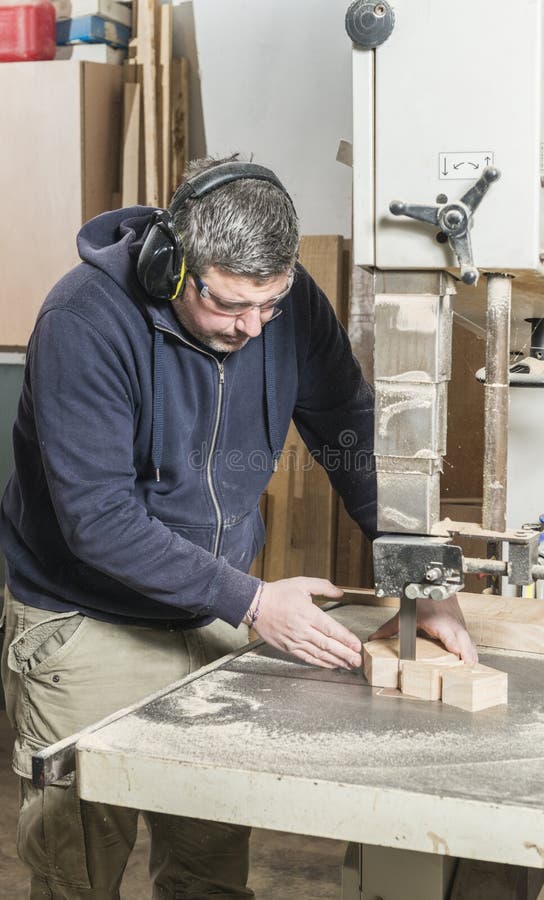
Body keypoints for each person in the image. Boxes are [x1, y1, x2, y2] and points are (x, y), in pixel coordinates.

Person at [0, 156, 476, 900]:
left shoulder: (282, 304)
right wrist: (254, 602)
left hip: (214, 614)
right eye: (229, 306)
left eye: (271, 303)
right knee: (80, 868)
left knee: (208, 866)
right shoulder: (84, 320)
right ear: (172, 265)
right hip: (90, 623)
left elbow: (348, 429)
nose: (253, 328)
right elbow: (97, 519)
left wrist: (420, 568)